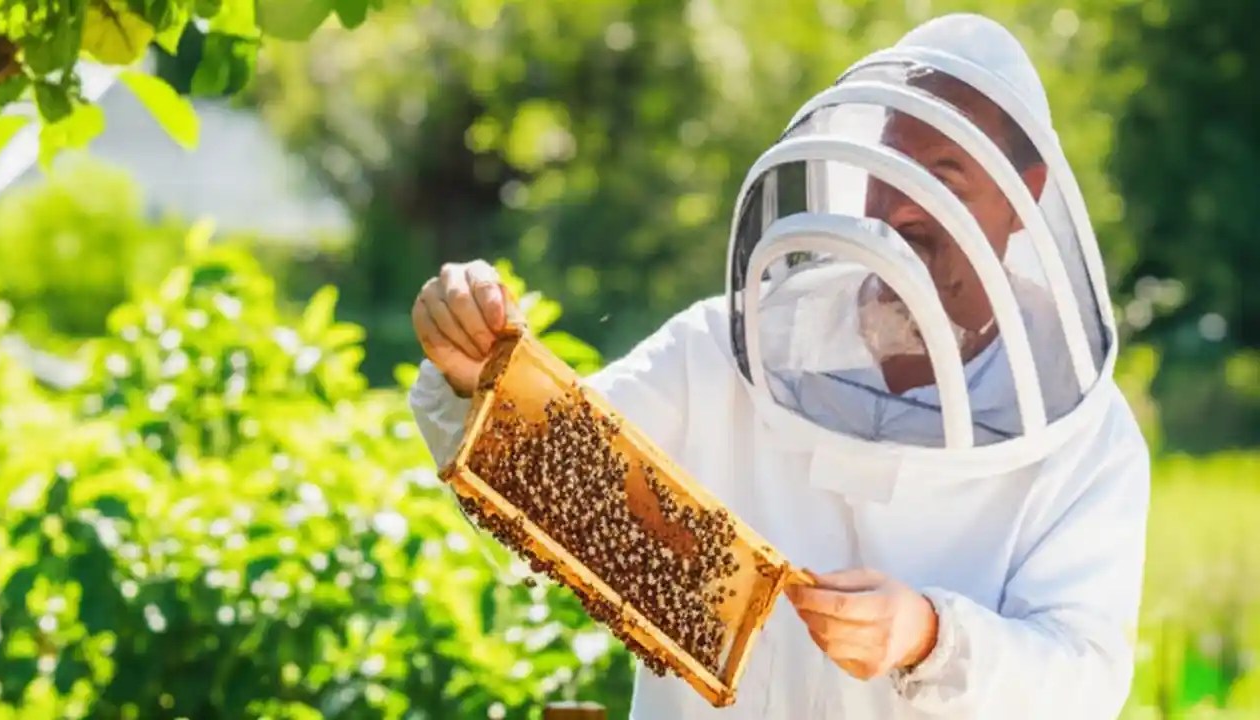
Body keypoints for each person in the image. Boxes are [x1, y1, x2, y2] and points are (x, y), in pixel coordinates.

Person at [409, 13, 1149, 720]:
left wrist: (929, 637)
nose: (902, 208)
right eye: (888, 171)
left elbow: (1082, 678)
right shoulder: (729, 348)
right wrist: (475, 375)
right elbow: (545, 479)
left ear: (1027, 196)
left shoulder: (1086, 439)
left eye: (945, 178)